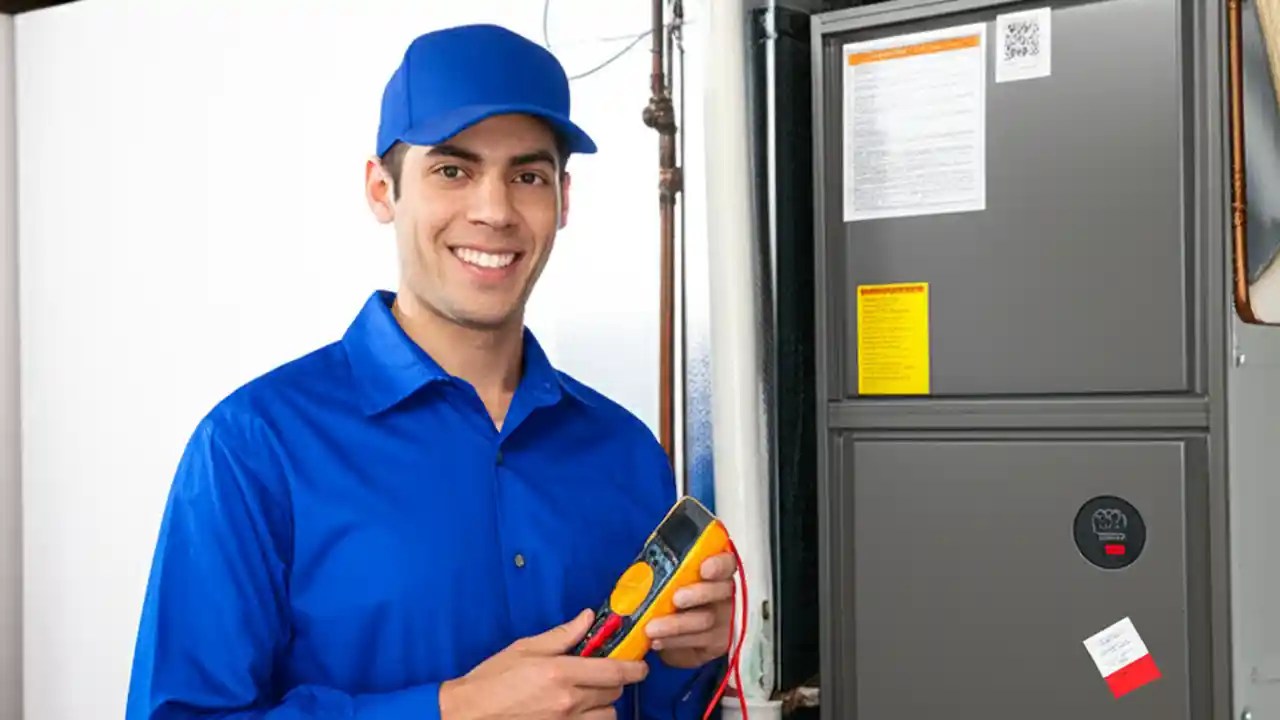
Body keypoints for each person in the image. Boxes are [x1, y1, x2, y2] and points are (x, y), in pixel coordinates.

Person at [124, 22, 736, 720]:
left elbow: (650, 706)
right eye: (453, 169)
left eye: (527, 176)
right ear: (382, 190)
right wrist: (450, 710)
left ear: (563, 200)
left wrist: (687, 666)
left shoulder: (626, 453)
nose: (495, 211)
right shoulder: (252, 448)